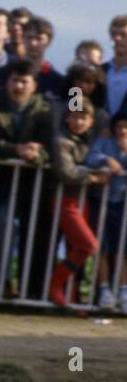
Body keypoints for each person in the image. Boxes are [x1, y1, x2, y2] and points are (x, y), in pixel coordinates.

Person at [0, 59, 54, 300]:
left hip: (33, 185)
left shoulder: (45, 109)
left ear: (34, 85)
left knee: (35, 239)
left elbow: (52, 145)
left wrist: (36, 153)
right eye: (14, 80)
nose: (19, 86)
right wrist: (16, 150)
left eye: (24, 81)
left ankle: (31, 296)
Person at [48, 102, 112, 309]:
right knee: (89, 245)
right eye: (74, 117)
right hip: (66, 200)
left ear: (91, 122)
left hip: (84, 201)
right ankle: (55, 284)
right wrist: (93, 178)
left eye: (82, 118)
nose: (78, 122)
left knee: (75, 249)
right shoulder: (61, 141)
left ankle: (72, 298)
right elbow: (66, 173)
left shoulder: (93, 142)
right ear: (67, 118)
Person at [88, 117, 127, 312]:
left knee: (123, 249)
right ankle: (103, 289)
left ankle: (123, 290)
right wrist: (107, 159)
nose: (123, 131)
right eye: (120, 127)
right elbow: (91, 157)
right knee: (101, 246)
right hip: (101, 201)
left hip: (123, 204)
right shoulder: (105, 141)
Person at [0, 16, 64, 103]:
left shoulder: (57, 81)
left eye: (39, 39)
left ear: (49, 41)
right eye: (29, 37)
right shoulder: (3, 74)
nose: (33, 43)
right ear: (22, 38)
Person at [104, 15, 127, 120]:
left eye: (123, 35)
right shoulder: (100, 71)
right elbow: (76, 95)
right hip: (101, 134)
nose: (117, 38)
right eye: (114, 34)